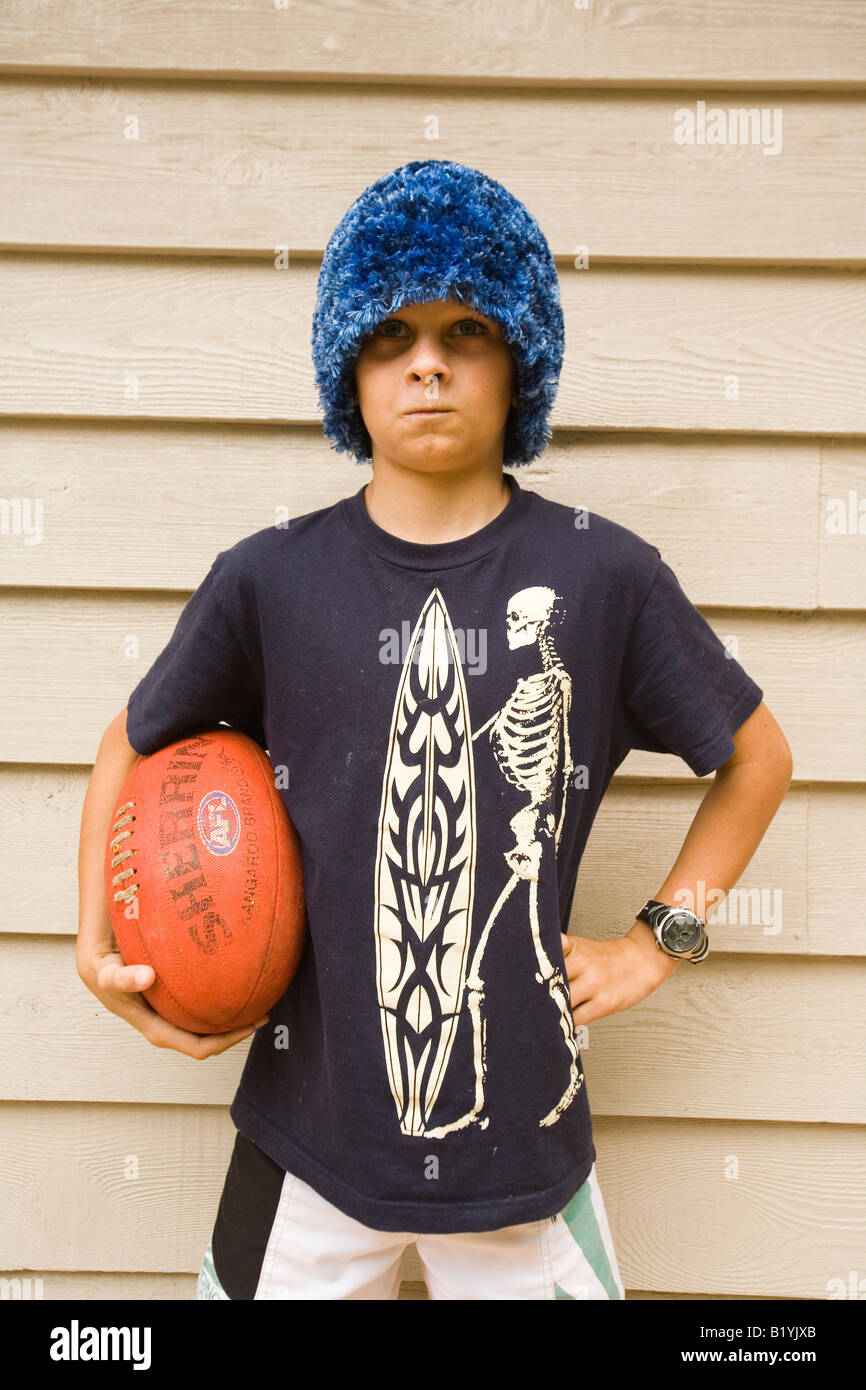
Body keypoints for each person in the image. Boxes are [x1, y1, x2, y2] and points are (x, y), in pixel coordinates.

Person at [77, 159, 793, 1300]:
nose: (426, 361)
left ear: (520, 362)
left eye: (465, 328)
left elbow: (755, 757)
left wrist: (662, 937)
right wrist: (93, 943)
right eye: (388, 335)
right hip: (304, 1146)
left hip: (525, 1160)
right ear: (345, 370)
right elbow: (131, 740)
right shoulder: (267, 580)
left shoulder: (600, 573)